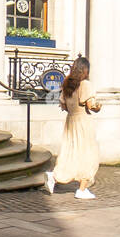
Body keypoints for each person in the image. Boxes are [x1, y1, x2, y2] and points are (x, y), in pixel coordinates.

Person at [48, 60, 103, 200]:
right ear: (85, 70)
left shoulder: (67, 84)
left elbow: (64, 106)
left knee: (70, 152)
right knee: (89, 154)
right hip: (83, 121)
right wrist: (98, 106)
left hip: (71, 121)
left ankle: (54, 176)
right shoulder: (85, 84)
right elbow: (91, 106)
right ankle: (82, 189)